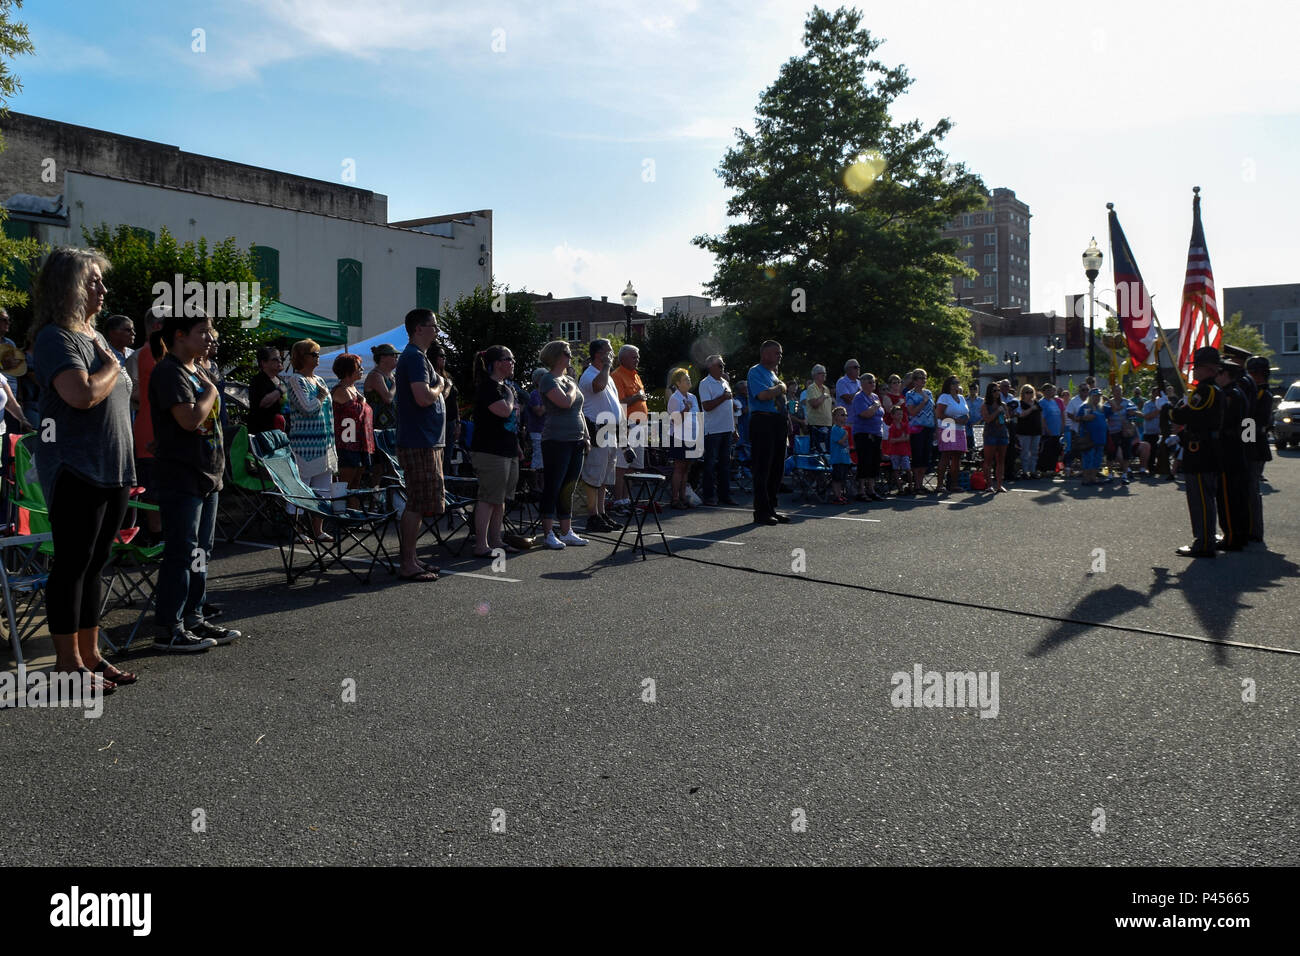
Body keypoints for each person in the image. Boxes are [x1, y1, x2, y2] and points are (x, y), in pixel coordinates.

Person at [31, 247, 141, 690]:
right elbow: (81, 396)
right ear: (69, 285)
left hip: (112, 467)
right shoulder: (55, 337)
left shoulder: (94, 335)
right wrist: (113, 364)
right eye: (93, 280)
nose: (103, 288)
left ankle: (91, 656)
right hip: (76, 467)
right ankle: (66, 665)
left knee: (95, 565)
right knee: (73, 565)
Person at [150, 311, 242, 650]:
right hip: (182, 475)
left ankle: (194, 617)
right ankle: (168, 628)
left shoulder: (197, 370)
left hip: (208, 473)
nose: (210, 337)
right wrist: (211, 393)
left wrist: (209, 388)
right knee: (182, 551)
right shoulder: (169, 372)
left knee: (202, 550)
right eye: (203, 332)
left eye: (211, 331)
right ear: (179, 336)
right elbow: (189, 420)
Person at [393, 309, 448, 581]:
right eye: (433, 326)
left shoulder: (419, 357)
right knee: (416, 502)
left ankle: (412, 559)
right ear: (418, 329)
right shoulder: (414, 357)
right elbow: (424, 397)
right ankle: (407, 564)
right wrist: (440, 385)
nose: (436, 331)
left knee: (421, 501)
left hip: (425, 440)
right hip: (418, 441)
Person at [1170, 348, 1225, 557]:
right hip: (1204, 449)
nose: (1194, 371)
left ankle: (1203, 542)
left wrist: (1171, 411)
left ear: (1210, 369)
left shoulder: (1206, 391)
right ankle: (1205, 539)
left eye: (1198, 367)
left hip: (1202, 452)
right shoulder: (1211, 390)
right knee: (1203, 497)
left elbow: (1188, 415)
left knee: (1200, 498)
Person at [470, 345, 522, 558]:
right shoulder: (489, 387)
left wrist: (517, 446)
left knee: (499, 499)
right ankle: (481, 544)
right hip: (490, 451)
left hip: (507, 449)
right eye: (509, 359)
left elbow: (511, 422)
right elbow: (503, 411)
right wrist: (510, 396)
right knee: (488, 498)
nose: (512, 363)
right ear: (498, 363)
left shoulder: (503, 386)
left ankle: (496, 539)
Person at [537, 340, 589, 549]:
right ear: (558, 356)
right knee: (554, 485)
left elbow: (579, 410)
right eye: (567, 353)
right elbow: (565, 402)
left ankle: (567, 531)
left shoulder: (568, 380)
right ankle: (548, 532)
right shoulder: (548, 379)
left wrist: (586, 435)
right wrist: (573, 387)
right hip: (556, 440)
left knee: (569, 486)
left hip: (575, 439)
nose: (570, 357)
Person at [286, 338, 337, 544]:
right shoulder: (296, 380)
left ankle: (318, 530)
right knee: (300, 491)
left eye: (318, 354)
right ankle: (297, 530)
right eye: (313, 354)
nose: (317, 358)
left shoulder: (320, 380)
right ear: (302, 357)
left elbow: (329, 413)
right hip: (305, 447)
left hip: (325, 445)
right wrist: (321, 397)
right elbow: (307, 408)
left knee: (323, 491)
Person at [127, 306, 168, 542]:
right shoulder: (140, 355)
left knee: (164, 487)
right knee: (153, 491)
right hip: (149, 431)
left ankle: (163, 537)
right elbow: (130, 390)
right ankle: (157, 538)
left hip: (163, 431)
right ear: (157, 326)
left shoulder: (168, 353)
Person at [578, 338, 622, 532]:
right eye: (608, 350)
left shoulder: (607, 374)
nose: (612, 354)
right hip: (597, 427)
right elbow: (598, 386)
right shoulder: (589, 374)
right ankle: (592, 515)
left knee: (605, 475)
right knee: (595, 473)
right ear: (598, 354)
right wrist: (606, 367)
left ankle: (601, 512)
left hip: (610, 428)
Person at [747, 340, 791, 525]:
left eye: (780, 353)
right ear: (764, 354)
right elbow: (763, 395)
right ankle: (761, 511)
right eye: (776, 352)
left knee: (776, 468)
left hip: (777, 421)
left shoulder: (774, 374)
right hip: (762, 421)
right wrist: (780, 388)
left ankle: (772, 507)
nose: (779, 355)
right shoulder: (755, 371)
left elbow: (782, 401)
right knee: (763, 467)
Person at [1213, 356, 1251, 551]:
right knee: (1238, 496)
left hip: (1228, 451)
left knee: (1227, 497)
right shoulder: (1239, 393)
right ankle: (1240, 534)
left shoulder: (1230, 395)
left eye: (1218, 372)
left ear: (1226, 374)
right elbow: (1248, 425)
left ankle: (1231, 537)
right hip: (1237, 451)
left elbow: (1225, 423)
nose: (1215, 376)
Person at [611, 344, 649, 514]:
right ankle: (618, 501)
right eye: (634, 356)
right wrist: (636, 398)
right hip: (627, 424)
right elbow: (618, 403)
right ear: (623, 359)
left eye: (638, 356)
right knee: (622, 465)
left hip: (640, 424)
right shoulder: (616, 376)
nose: (637, 359)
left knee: (633, 465)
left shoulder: (636, 376)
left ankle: (626, 500)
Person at [331, 353, 375, 495]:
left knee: (355, 487)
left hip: (360, 444)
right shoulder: (341, 390)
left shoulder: (354, 389)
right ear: (348, 369)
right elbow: (358, 412)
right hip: (346, 445)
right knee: (344, 488)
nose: (362, 369)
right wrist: (363, 402)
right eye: (358, 366)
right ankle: (340, 515)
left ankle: (354, 515)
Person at [699, 354, 738, 506]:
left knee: (725, 464)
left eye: (723, 365)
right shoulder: (705, 383)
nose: (723, 368)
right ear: (710, 367)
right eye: (720, 365)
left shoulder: (725, 382)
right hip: (713, 430)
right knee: (710, 464)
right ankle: (708, 496)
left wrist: (733, 429)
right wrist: (723, 397)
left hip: (726, 429)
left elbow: (729, 408)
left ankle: (724, 495)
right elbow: (707, 406)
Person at [1243, 356, 1272, 545]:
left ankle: (1255, 531)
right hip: (1252, 444)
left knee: (1251, 489)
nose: (1252, 376)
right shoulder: (1255, 393)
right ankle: (1249, 528)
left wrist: (1246, 443)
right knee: (1247, 489)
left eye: (1254, 373)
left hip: (1255, 446)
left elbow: (1252, 422)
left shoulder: (1262, 394)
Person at [666, 367, 701, 509]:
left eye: (689, 379)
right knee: (679, 468)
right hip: (679, 436)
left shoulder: (692, 397)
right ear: (678, 383)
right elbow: (675, 420)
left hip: (691, 436)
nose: (689, 381)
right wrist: (685, 410)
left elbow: (697, 416)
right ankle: (675, 499)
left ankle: (683, 496)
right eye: (686, 379)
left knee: (687, 468)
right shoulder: (675, 398)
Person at [851, 372, 885, 501]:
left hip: (876, 433)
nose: (873, 384)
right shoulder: (859, 397)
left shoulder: (875, 396)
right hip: (864, 434)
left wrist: (875, 407)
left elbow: (882, 412)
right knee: (864, 461)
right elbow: (865, 414)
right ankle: (861, 490)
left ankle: (871, 489)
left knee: (874, 462)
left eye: (874, 382)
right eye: (870, 382)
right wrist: (875, 406)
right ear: (863, 383)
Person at [428, 343, 461, 471]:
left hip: (451, 421)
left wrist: (458, 422)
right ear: (434, 357)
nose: (444, 358)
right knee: (437, 457)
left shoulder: (447, 376)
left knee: (447, 457)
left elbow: (455, 401)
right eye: (441, 356)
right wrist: (447, 387)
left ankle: (445, 484)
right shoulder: (432, 377)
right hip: (438, 422)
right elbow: (438, 399)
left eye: (445, 356)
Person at [904, 369, 936, 495]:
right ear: (914, 380)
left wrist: (936, 429)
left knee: (925, 457)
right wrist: (923, 402)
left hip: (929, 427)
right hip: (917, 428)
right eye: (920, 378)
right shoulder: (910, 394)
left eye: (924, 377)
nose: (923, 380)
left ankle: (921, 484)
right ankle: (916, 485)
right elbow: (912, 412)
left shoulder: (929, 392)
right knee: (917, 456)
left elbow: (933, 411)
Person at [935, 375, 969, 491]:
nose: (956, 385)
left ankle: (954, 484)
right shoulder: (945, 397)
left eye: (957, 382)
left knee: (957, 457)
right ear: (948, 385)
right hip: (947, 427)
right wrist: (956, 420)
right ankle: (939, 485)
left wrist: (966, 418)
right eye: (954, 383)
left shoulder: (961, 397)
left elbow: (966, 412)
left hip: (960, 429)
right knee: (946, 456)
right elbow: (939, 414)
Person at [248, 344, 287, 435]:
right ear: (263, 363)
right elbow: (263, 403)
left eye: (280, 358)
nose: (280, 361)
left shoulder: (279, 379)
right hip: (264, 431)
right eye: (275, 359)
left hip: (280, 430)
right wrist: (280, 391)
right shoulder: (258, 380)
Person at [980, 383, 1011, 492]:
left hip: (1002, 434)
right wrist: (997, 412)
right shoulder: (985, 405)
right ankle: (989, 485)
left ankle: (999, 485)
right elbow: (987, 419)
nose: (997, 392)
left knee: (1001, 461)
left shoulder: (1003, 404)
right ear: (989, 392)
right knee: (988, 461)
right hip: (990, 434)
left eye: (998, 390)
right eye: (994, 390)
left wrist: (1004, 418)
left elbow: (1008, 419)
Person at [363, 343, 400, 431]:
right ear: (382, 358)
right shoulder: (375, 375)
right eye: (393, 355)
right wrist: (396, 383)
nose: (396, 357)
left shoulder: (393, 376)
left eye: (397, 355)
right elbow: (388, 398)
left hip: (394, 427)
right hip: (379, 430)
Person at [800, 364, 832, 455]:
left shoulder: (826, 389)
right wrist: (823, 396)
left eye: (825, 373)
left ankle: (825, 469)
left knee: (826, 451)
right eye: (822, 373)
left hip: (827, 424)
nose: (824, 375)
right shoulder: (811, 388)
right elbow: (814, 404)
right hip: (816, 425)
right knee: (816, 452)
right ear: (815, 375)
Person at [1014, 383, 1043, 479]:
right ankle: (1025, 471)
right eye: (1027, 392)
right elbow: (1021, 414)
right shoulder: (1020, 403)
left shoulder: (1036, 403)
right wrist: (1031, 409)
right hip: (1024, 431)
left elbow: (1040, 415)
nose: (1030, 394)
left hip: (1036, 430)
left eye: (1031, 392)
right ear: (1023, 393)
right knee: (1025, 452)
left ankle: (1033, 471)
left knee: (1035, 452)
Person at [881, 405, 911, 495]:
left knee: (908, 469)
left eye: (901, 414)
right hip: (894, 452)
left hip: (904, 451)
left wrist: (898, 439)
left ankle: (910, 486)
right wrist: (901, 439)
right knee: (896, 470)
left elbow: (907, 438)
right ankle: (900, 488)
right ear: (893, 416)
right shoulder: (892, 427)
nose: (900, 416)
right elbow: (891, 440)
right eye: (898, 414)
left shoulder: (905, 425)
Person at [827, 406, 853, 504]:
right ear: (835, 417)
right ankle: (836, 496)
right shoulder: (835, 429)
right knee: (837, 479)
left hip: (844, 458)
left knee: (842, 479)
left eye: (845, 415)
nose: (845, 417)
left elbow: (846, 447)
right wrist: (846, 435)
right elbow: (841, 442)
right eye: (842, 415)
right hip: (837, 459)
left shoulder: (842, 429)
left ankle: (840, 495)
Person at [1037, 383, 1063, 477]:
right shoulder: (1042, 402)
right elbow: (1042, 418)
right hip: (1048, 432)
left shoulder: (1054, 401)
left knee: (1055, 451)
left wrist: (1061, 427)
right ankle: (1043, 470)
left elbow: (1059, 414)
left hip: (1056, 431)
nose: (1051, 391)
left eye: (1052, 390)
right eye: (1048, 390)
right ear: (1043, 392)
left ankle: (1052, 469)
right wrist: (1046, 429)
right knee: (1046, 451)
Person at [525, 367, 547, 472]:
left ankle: (541, 484)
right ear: (538, 379)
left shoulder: (545, 393)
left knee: (544, 459)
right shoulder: (534, 394)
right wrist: (549, 401)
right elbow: (539, 412)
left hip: (546, 430)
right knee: (538, 458)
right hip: (536, 430)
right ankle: (535, 485)